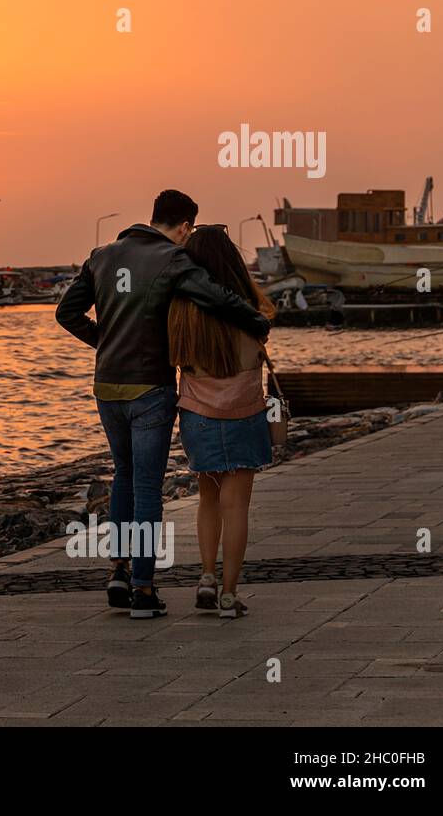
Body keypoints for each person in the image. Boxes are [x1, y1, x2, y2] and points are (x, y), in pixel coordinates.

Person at [56, 190, 269, 619]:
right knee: (147, 486)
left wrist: (105, 341)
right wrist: (256, 320)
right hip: (150, 388)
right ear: (186, 226)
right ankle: (144, 588)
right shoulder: (172, 260)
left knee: (123, 475)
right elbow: (215, 297)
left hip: (107, 387)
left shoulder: (100, 255)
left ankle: (118, 567)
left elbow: (67, 313)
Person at [169, 225, 277, 619]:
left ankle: (207, 576)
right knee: (237, 508)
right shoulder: (249, 309)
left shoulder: (181, 310)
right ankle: (229, 594)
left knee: (208, 500)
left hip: (197, 416)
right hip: (244, 415)